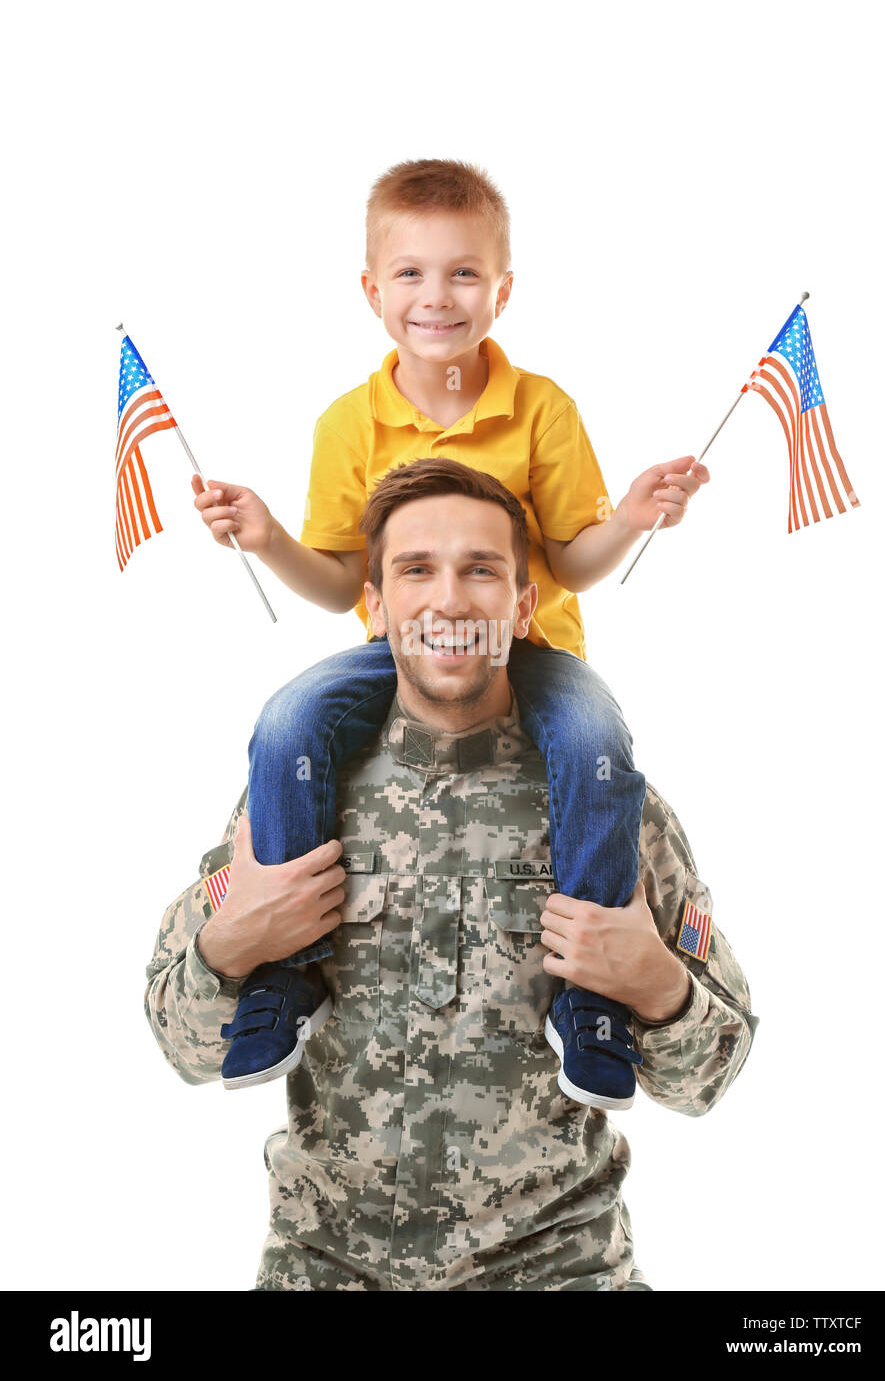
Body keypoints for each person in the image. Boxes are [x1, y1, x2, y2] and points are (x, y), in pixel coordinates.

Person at [146, 464, 755, 1291]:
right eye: (415, 570)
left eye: (481, 570)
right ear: (376, 604)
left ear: (525, 604)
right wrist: (228, 945)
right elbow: (181, 1050)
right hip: (325, 1266)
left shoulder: (608, 807)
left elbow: (707, 1079)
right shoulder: (294, 794)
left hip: (559, 1270)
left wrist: (655, 986)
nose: (450, 601)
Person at [191, 158, 710, 1102]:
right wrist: (266, 540)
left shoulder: (542, 408)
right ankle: (286, 965)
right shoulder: (348, 423)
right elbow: (342, 581)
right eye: (411, 273)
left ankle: (588, 993)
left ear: (501, 290)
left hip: (531, 657)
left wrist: (628, 518)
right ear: (371, 289)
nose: (437, 296)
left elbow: (571, 558)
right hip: (393, 664)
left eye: (463, 273)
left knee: (598, 741)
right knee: (285, 724)